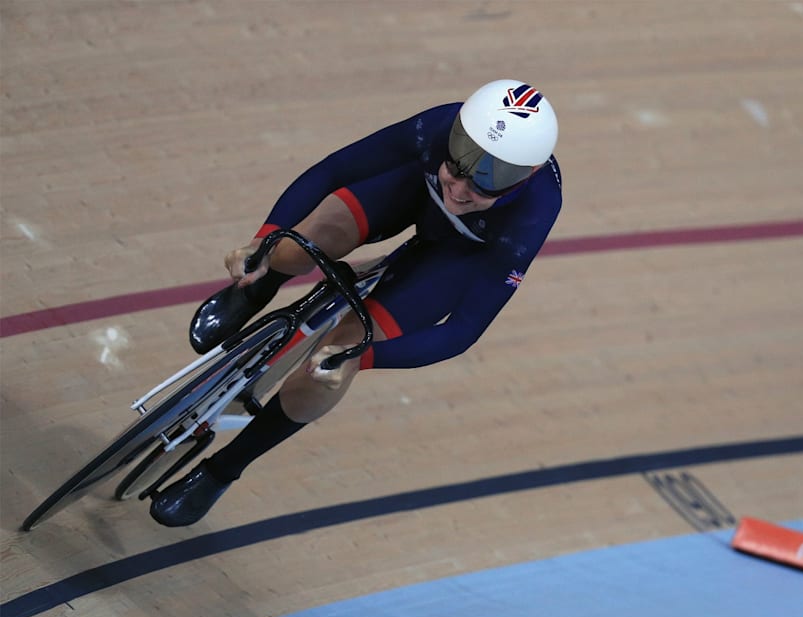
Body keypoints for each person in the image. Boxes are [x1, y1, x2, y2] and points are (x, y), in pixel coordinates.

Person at [150, 80, 562, 527]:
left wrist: (362, 357)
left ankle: (221, 470)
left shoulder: (534, 211)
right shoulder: (438, 125)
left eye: (486, 183)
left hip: (456, 258)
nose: (461, 188)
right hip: (409, 196)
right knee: (296, 246)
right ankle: (256, 286)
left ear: (529, 173)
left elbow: (462, 330)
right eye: (458, 164)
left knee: (329, 366)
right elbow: (334, 171)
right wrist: (263, 240)